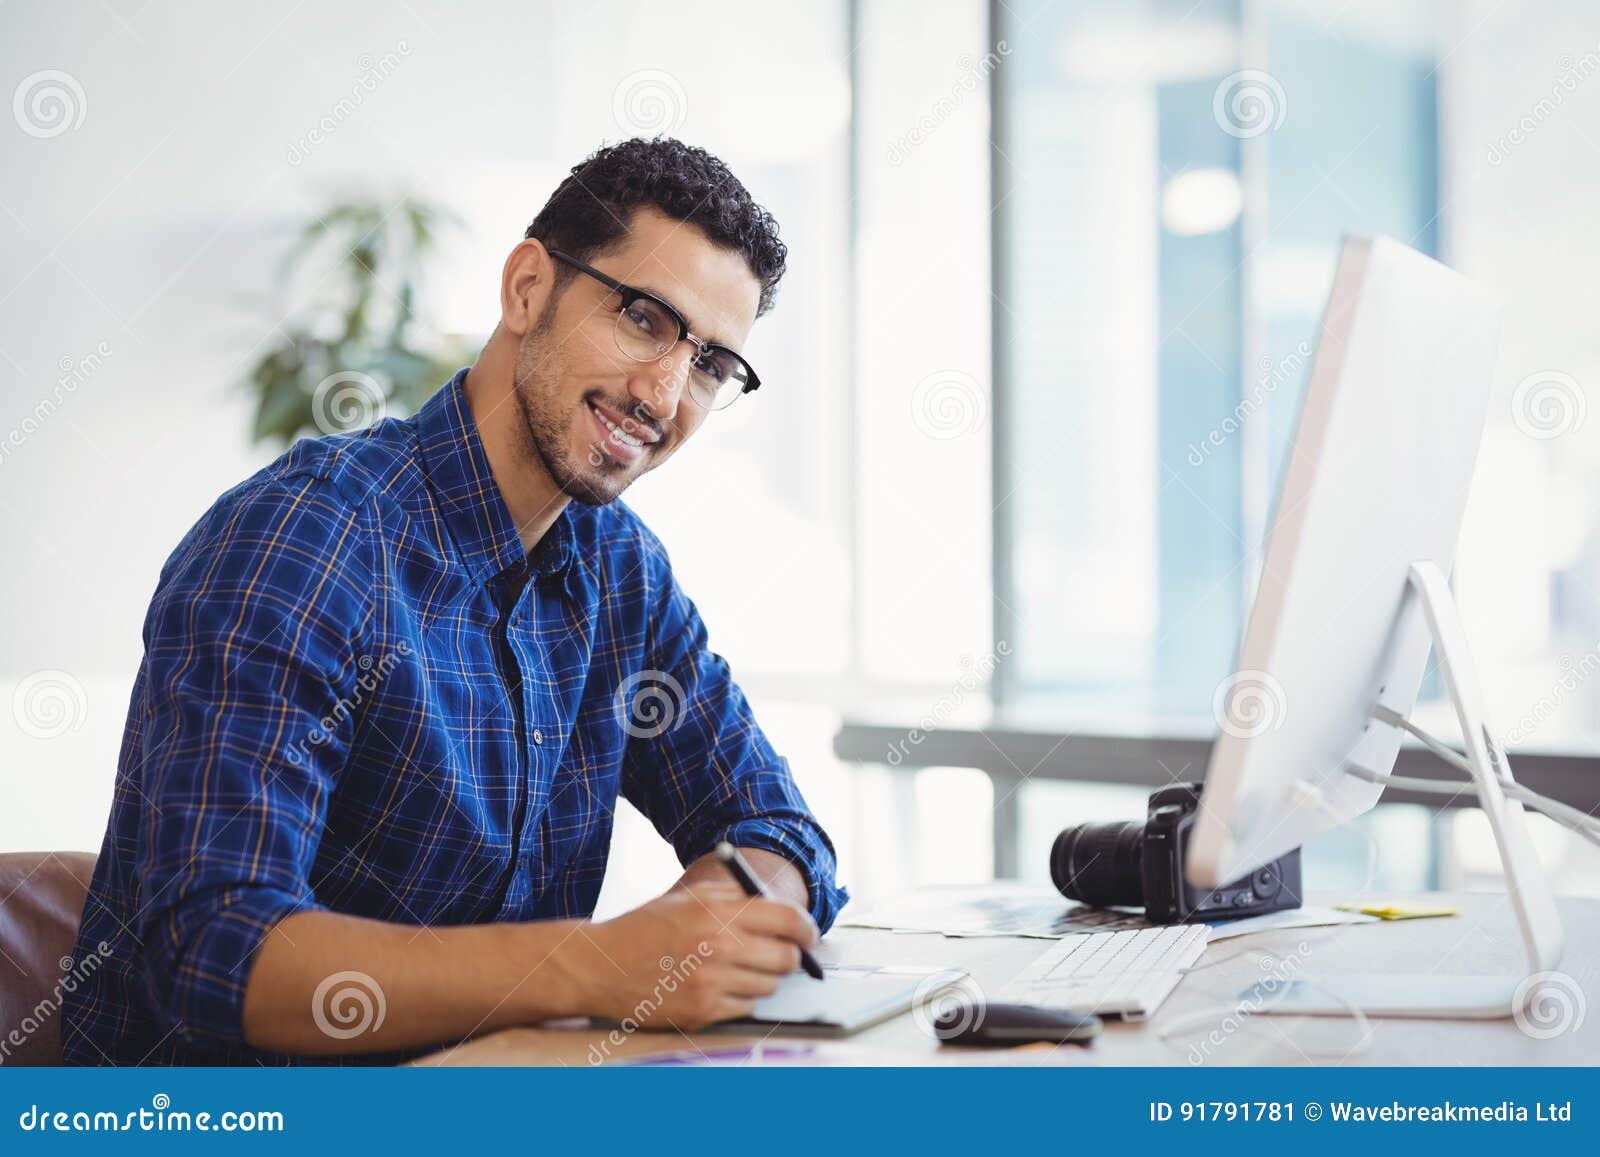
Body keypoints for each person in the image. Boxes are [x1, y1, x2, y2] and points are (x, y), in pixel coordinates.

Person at [62, 138, 846, 1065]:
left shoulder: (619, 572)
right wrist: (600, 966)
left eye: (713, 365)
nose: (665, 393)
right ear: (525, 288)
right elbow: (212, 950)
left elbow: (780, 828)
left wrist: (726, 908)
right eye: (642, 319)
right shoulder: (303, 544)